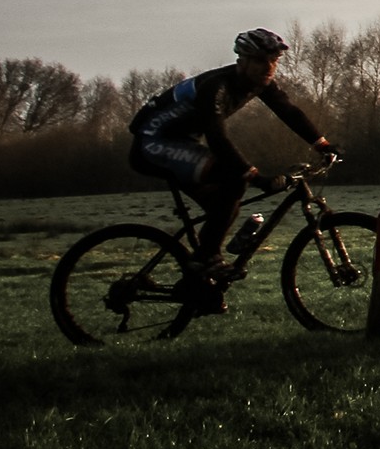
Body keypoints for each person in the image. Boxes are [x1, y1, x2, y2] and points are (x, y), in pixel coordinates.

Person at [127, 28, 336, 303]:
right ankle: (208, 259)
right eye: (262, 60)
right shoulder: (216, 87)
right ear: (243, 61)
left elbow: (288, 111)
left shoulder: (259, 82)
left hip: (181, 141)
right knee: (235, 179)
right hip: (153, 143)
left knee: (224, 206)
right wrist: (256, 176)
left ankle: (199, 286)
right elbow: (217, 137)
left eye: (274, 61)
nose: (270, 67)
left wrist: (322, 144)